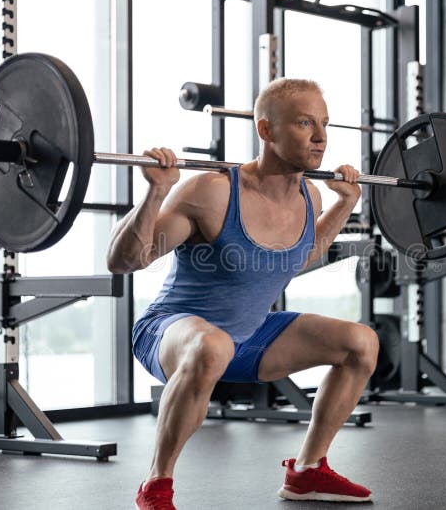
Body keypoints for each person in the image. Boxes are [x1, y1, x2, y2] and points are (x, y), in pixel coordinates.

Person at [107, 78, 379, 510]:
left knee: (361, 342)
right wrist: (157, 190)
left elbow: (300, 256)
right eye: (305, 123)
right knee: (211, 344)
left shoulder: (309, 194)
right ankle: (155, 485)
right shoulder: (211, 192)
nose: (321, 137)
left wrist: (343, 205)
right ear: (266, 131)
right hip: (170, 333)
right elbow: (125, 262)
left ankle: (307, 472)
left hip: (248, 337)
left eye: (324, 124)